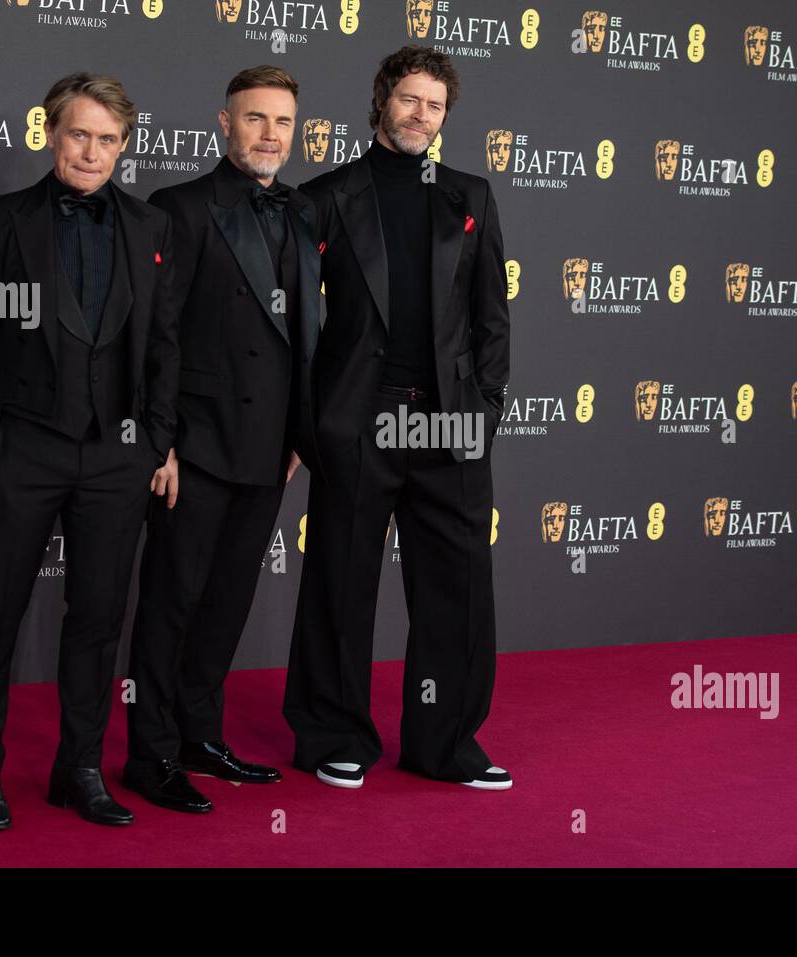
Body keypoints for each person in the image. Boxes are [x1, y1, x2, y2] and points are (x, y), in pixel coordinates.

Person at [0, 72, 178, 828]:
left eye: (108, 139)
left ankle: (78, 766)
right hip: (25, 450)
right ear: (50, 133)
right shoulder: (2, 219)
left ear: (123, 146)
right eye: (79, 134)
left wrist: (156, 443)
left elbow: (165, 348)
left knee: (98, 618)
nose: (92, 150)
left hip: (117, 458)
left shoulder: (151, 228)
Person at [284, 46, 512, 790]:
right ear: (382, 100)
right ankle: (333, 733)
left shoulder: (470, 197)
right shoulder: (324, 196)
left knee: (458, 584)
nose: (421, 115)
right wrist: (311, 419)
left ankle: (446, 742)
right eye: (409, 99)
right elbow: (292, 324)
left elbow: (491, 321)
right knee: (340, 578)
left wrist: (484, 409)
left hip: (449, 423)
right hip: (359, 416)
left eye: (435, 105)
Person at [123, 66, 320, 812]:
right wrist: (160, 442)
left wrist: (302, 427)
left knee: (228, 598)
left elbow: (307, 333)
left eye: (283, 122)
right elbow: (155, 335)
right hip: (195, 442)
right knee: (172, 600)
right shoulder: (180, 208)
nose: (270, 134)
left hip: (270, 444)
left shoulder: (302, 210)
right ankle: (151, 752)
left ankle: (200, 733)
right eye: (255, 119)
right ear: (224, 123)